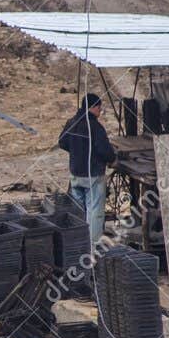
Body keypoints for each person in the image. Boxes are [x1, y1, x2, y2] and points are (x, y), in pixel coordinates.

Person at [57, 93, 117, 245]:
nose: (100, 111)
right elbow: (105, 151)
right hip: (93, 175)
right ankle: (92, 245)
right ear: (93, 107)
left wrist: (76, 150)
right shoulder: (95, 127)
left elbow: (62, 142)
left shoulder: (71, 122)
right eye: (99, 108)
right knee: (94, 211)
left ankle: (78, 242)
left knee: (78, 211)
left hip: (75, 174)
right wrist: (113, 157)